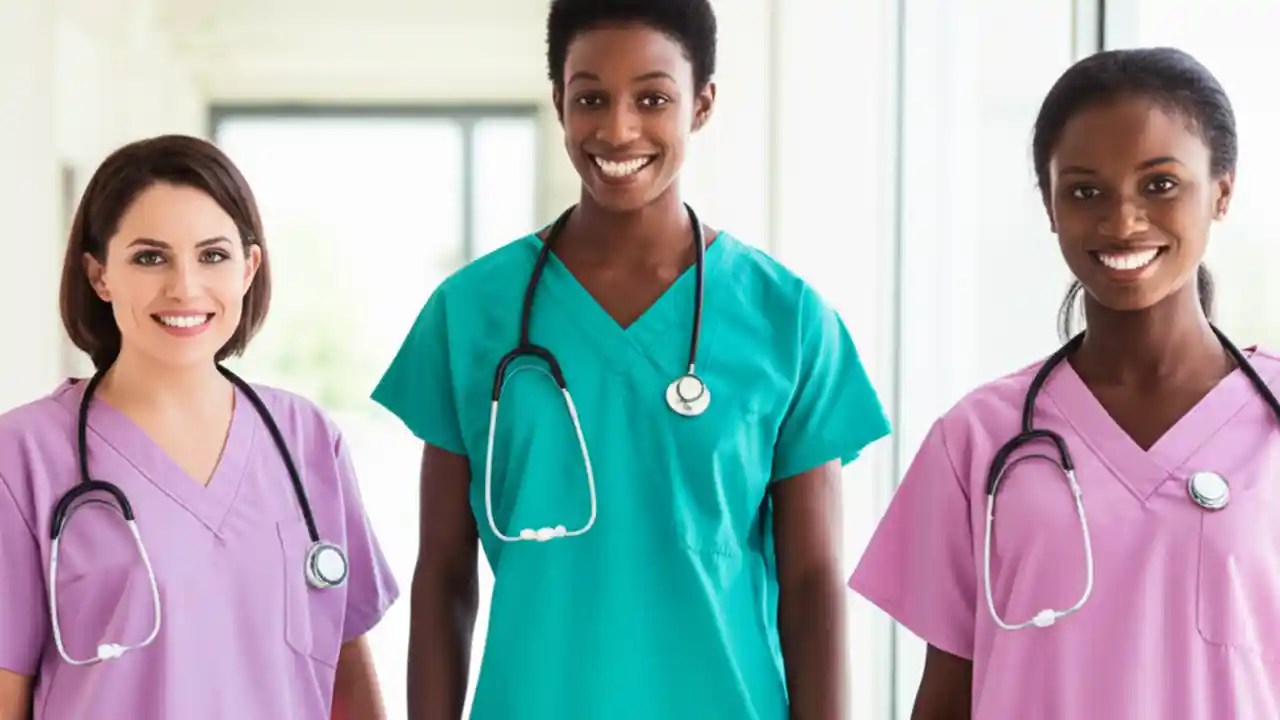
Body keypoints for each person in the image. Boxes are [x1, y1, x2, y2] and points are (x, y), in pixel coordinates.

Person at [371, 1, 890, 717]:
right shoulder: (470, 313)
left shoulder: (789, 320)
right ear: (559, 103)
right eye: (590, 98)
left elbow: (812, 582)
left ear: (702, 104)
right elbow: (444, 574)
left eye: (653, 98)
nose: (618, 129)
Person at [849, 47, 1280, 718]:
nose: (1122, 220)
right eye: (1085, 191)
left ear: (1221, 191)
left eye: (1160, 184)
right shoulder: (977, 440)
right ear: (1050, 206)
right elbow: (945, 699)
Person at [0, 135, 399, 719]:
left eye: (212, 255)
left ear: (249, 268)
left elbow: (346, 667)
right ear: (99, 274)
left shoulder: (305, 439)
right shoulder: (25, 455)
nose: (184, 287)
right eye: (149, 257)